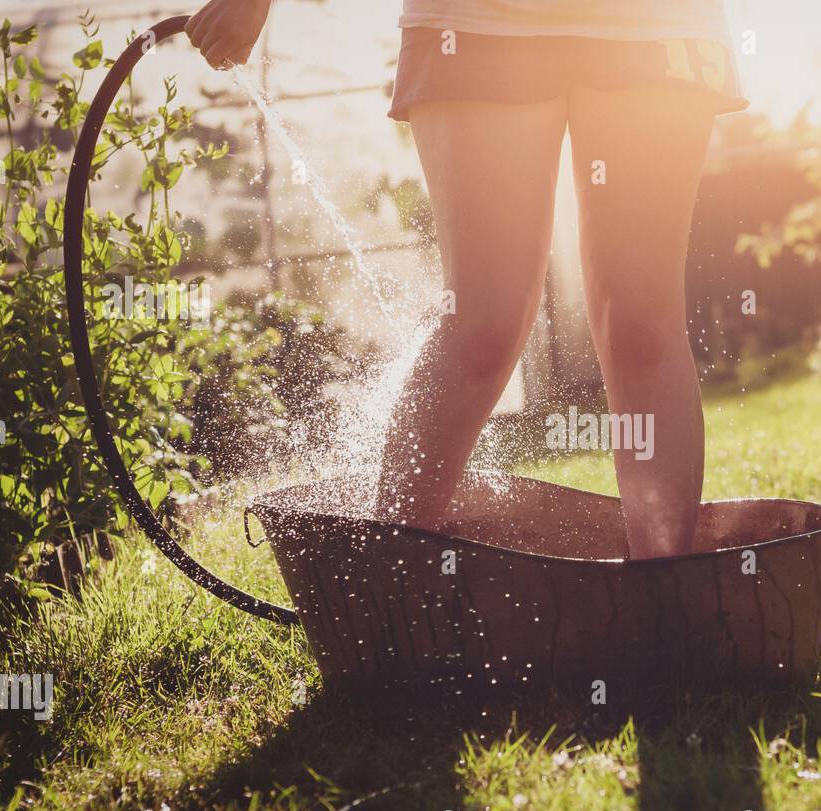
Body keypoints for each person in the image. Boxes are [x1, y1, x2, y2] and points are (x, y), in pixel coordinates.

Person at [185, 0, 746, 558]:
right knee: (481, 327)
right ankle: (392, 594)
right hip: (477, 21)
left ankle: (669, 601)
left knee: (640, 328)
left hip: (656, 23)